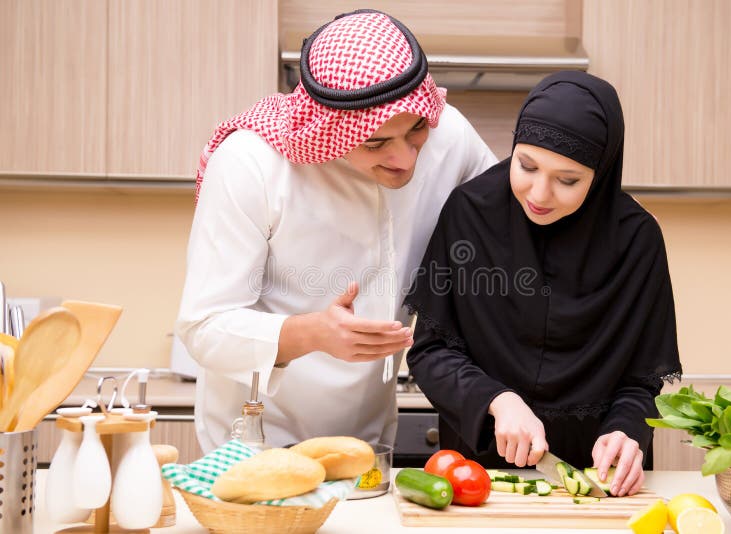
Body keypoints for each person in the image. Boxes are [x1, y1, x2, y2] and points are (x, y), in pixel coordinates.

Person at [175, 9, 497, 453]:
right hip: (254, 443)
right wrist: (315, 333)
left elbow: (509, 225)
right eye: (375, 143)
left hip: (365, 441)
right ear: (330, 131)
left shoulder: (450, 138)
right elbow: (204, 327)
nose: (405, 159)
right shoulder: (252, 165)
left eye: (415, 129)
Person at [403, 71, 681, 497]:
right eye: (526, 165)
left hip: (600, 479)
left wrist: (627, 431)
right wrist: (497, 399)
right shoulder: (469, 213)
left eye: (567, 180)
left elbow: (641, 380)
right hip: (477, 478)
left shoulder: (636, 239)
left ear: (601, 173)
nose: (539, 193)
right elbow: (431, 350)